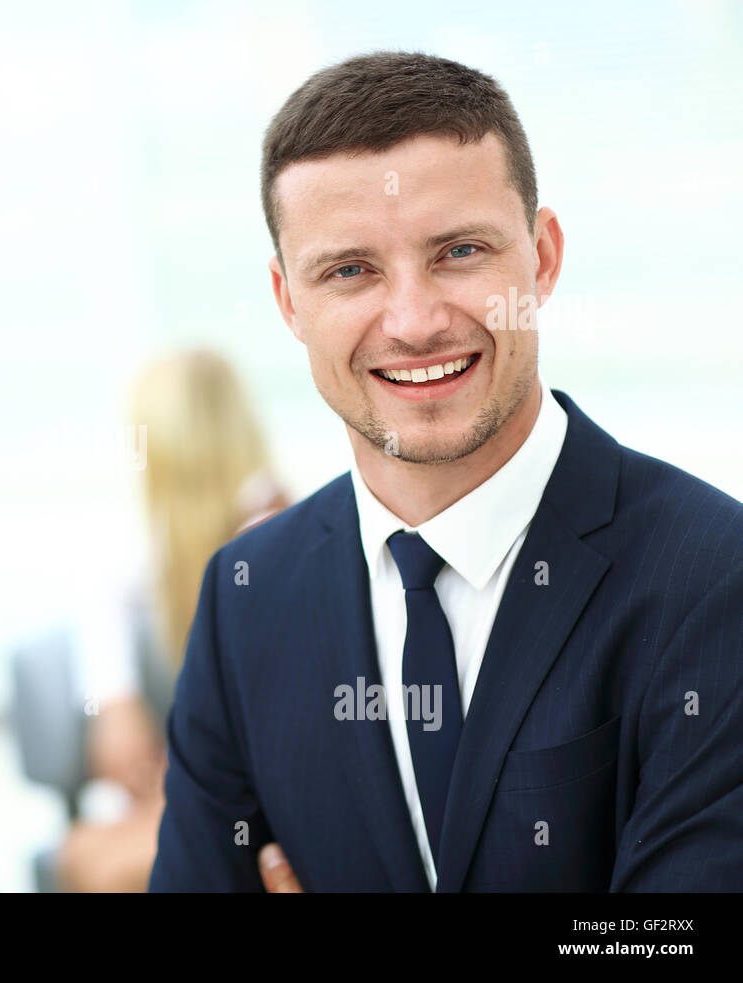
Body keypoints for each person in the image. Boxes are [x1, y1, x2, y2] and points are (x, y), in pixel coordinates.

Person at [149, 51, 743, 893]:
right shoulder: (246, 597)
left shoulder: (714, 575)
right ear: (289, 301)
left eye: (459, 251)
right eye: (349, 270)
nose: (416, 321)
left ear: (540, 258)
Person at [57, 349, 289, 892]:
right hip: (230, 787)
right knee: (80, 853)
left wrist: (179, 782)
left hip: (271, 802)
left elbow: (267, 729)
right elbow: (105, 583)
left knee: (102, 870)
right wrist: (114, 701)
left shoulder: (267, 534)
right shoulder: (196, 534)